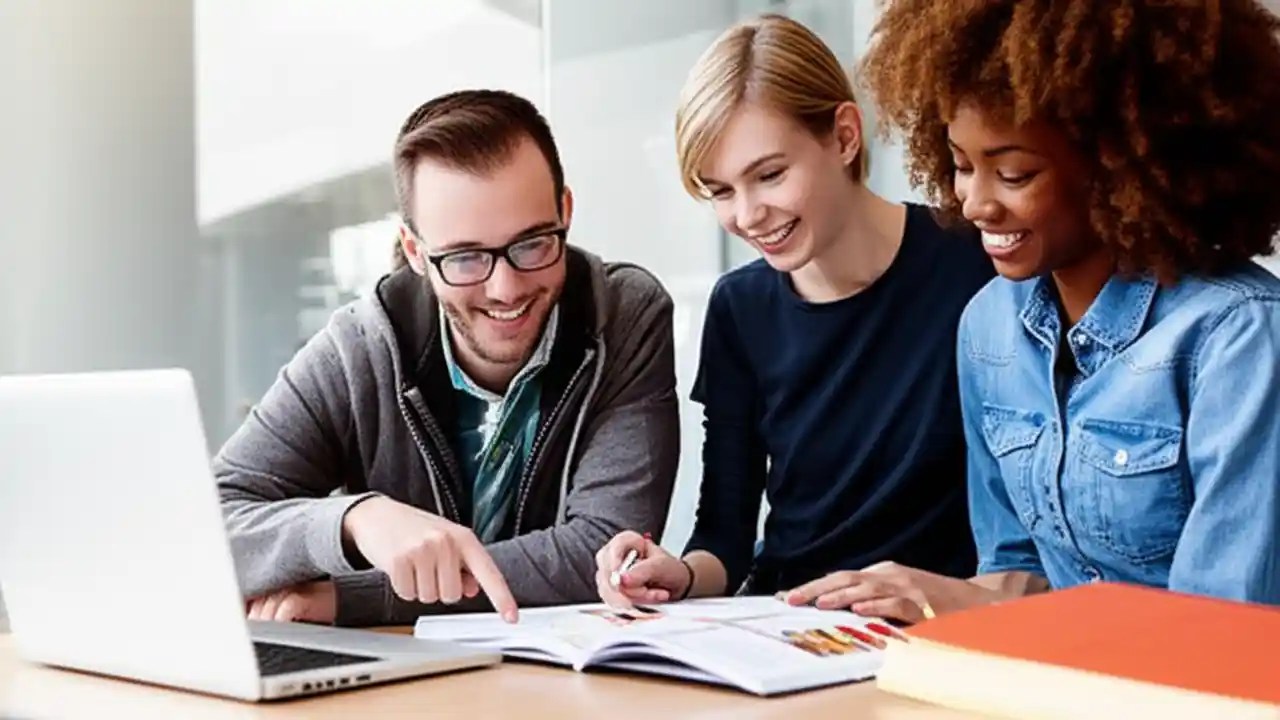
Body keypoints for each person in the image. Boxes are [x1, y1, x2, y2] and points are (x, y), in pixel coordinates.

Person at [780, 0, 1280, 620]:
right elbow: (1017, 569)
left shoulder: (1239, 337)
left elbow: (1226, 633)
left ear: (1118, 168)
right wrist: (919, 600)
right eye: (962, 165)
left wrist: (964, 605)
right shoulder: (990, 329)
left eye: (1014, 174)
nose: (974, 204)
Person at [215, 89, 680, 626]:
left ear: (566, 213)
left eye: (532, 244)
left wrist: (352, 597)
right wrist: (354, 519)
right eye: (464, 258)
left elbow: (602, 551)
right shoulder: (359, 349)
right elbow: (209, 522)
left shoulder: (622, 316)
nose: (505, 288)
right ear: (415, 251)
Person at [594, 14, 995, 608]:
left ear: (844, 137)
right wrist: (674, 573)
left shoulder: (973, 265)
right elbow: (724, 540)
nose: (748, 215)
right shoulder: (739, 308)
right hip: (786, 623)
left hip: (932, 624)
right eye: (721, 191)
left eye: (770, 175)